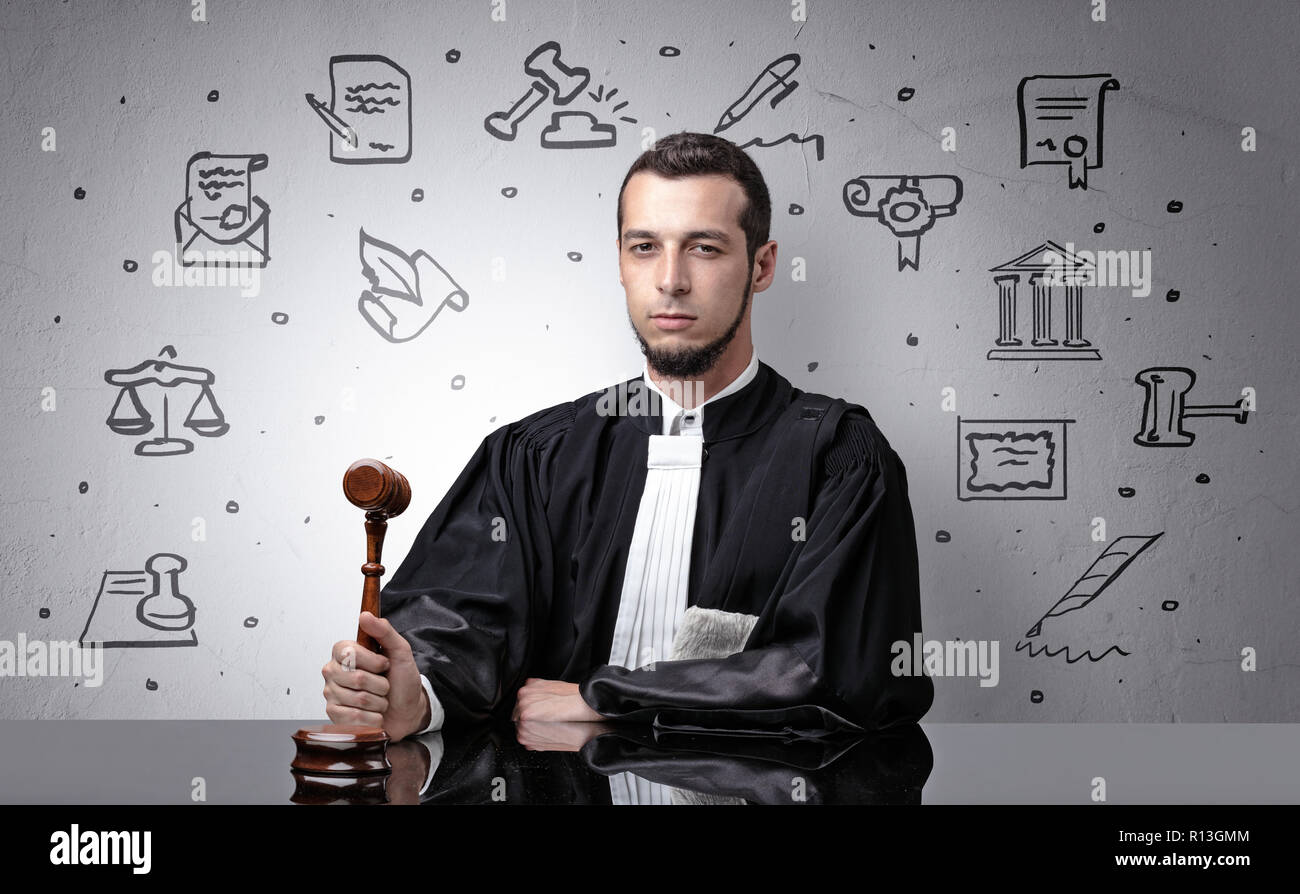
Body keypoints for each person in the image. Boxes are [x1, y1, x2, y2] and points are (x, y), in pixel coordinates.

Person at [321, 131, 935, 742]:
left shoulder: (837, 456)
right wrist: (415, 695)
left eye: (704, 248)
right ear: (619, 261)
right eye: (645, 247)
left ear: (763, 265)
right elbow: (457, 623)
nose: (671, 280)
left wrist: (608, 701)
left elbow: (847, 673)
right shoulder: (534, 456)